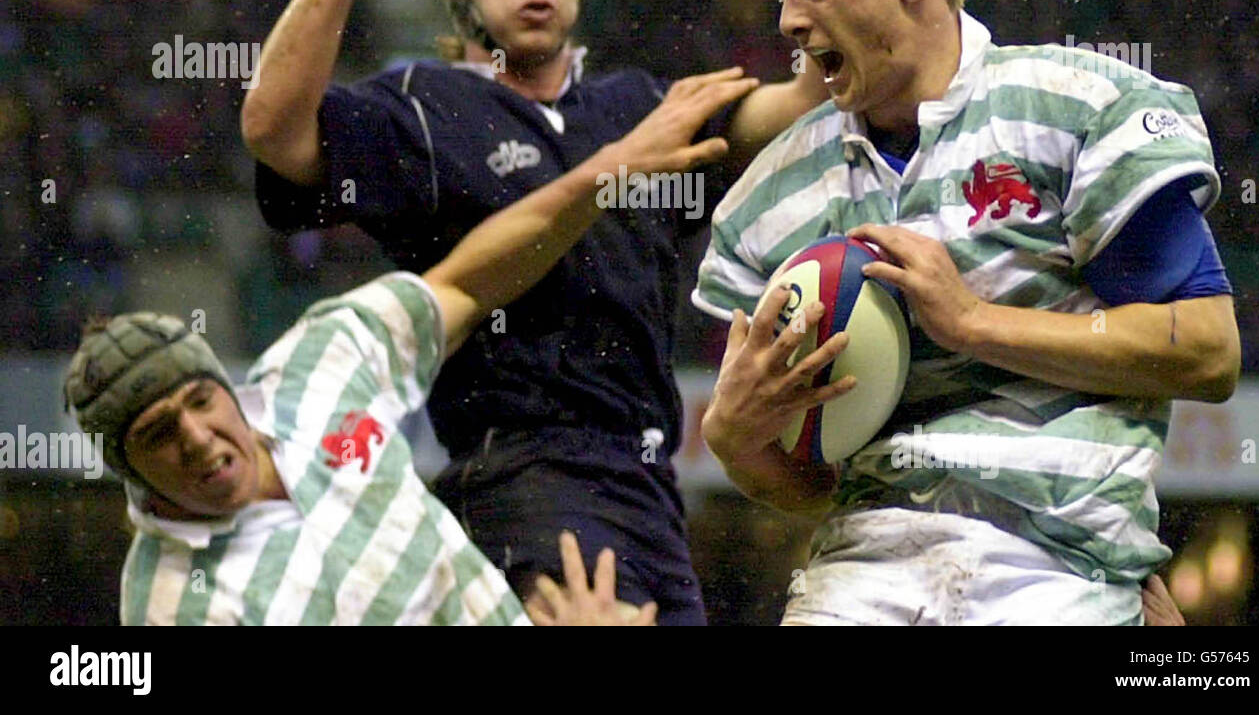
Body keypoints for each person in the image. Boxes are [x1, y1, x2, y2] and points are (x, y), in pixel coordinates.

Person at [238, 0, 828, 623]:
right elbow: (274, 130)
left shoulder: (638, 103)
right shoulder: (420, 105)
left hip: (650, 487)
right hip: (522, 477)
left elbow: (807, 106)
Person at [694, 0, 1241, 625]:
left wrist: (975, 323)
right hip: (863, 570)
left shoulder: (1078, 109)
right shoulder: (767, 202)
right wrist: (737, 444)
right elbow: (808, 488)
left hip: (1058, 563)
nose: (787, 19)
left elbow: (1208, 351)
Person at [64, 70, 749, 625]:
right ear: (130, 469)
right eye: (157, 433)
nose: (194, 434)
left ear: (225, 388)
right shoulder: (172, 608)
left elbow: (470, 280)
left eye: (198, 400)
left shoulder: (317, 368)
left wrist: (607, 170)